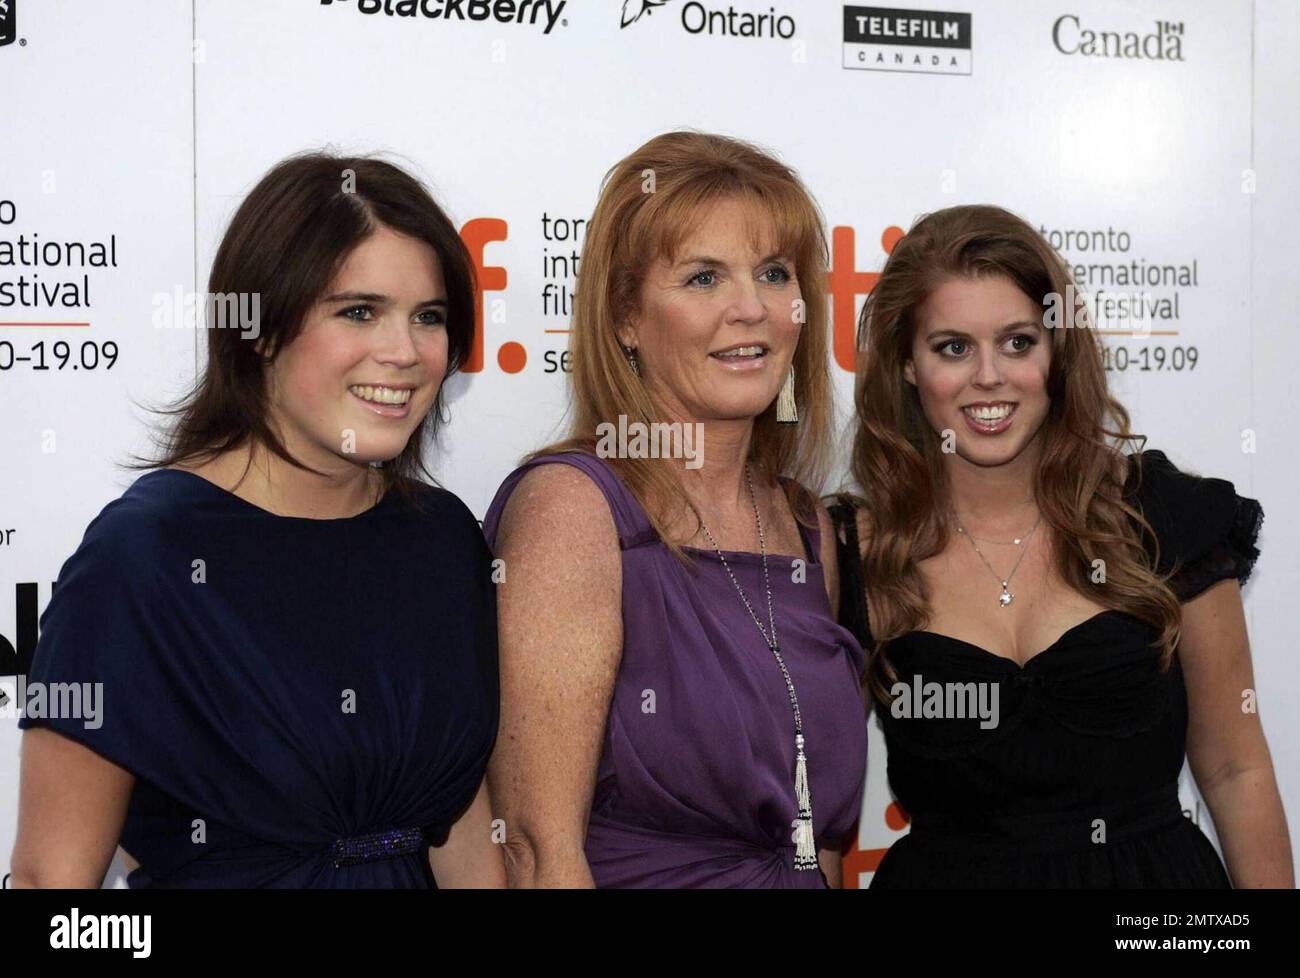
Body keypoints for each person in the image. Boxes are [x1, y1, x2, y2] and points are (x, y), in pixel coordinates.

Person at [10, 152, 503, 888]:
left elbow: (458, 825)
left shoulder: (441, 538)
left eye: (429, 317)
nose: (405, 353)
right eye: (359, 311)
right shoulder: (143, 555)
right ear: (262, 328)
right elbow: (55, 881)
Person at [829, 203, 1292, 887]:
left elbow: (1234, 768)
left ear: (1057, 352)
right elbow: (822, 807)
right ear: (905, 365)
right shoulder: (858, 551)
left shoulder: (1160, 516)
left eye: (1019, 342)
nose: (990, 376)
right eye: (953, 347)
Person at [482, 131, 867, 887]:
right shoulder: (575, 509)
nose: (750, 308)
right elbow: (536, 849)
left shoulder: (807, 526)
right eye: (702, 278)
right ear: (626, 317)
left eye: (773, 273)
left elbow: (820, 840)